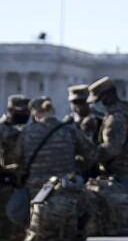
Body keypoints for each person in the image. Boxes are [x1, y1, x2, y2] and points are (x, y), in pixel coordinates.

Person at [8, 99, 98, 233]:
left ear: (35, 114)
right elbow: (91, 154)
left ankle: (33, 229)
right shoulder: (69, 130)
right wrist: (77, 166)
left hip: (37, 191)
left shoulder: (27, 132)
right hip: (66, 186)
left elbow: (15, 158)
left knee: (15, 210)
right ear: (53, 111)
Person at [87, 76, 128, 199]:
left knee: (119, 213)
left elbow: (112, 149)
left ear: (106, 97)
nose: (94, 105)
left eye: (97, 100)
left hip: (121, 174)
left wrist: (88, 153)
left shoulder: (115, 118)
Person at [0, 95, 31, 241]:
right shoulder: (1, 129)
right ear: (10, 109)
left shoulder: (29, 129)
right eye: (21, 111)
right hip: (5, 187)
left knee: (21, 231)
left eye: (27, 111)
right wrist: (8, 170)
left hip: (24, 185)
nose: (25, 114)